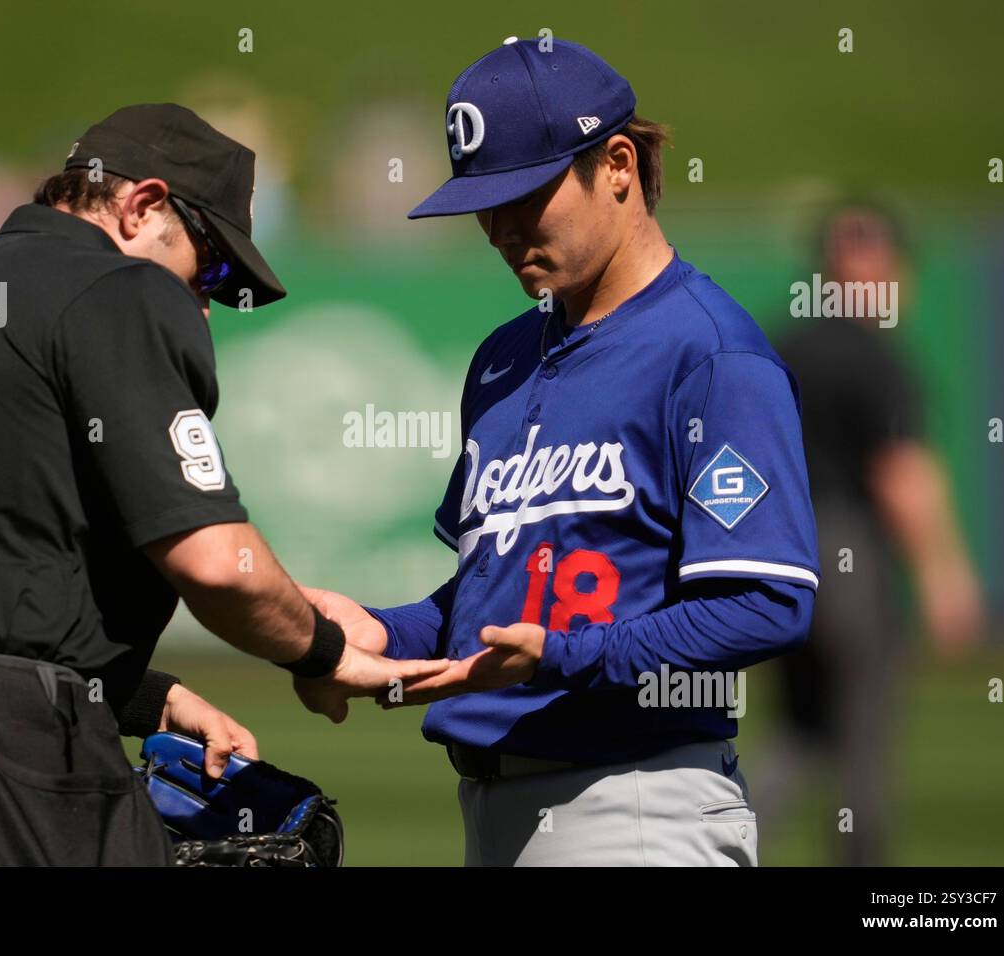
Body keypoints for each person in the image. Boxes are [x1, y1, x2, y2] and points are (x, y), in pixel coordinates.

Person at [0, 103, 445, 867]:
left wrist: (141, 696)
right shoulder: (118, 290)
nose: (205, 301)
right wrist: (323, 652)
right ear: (143, 206)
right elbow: (216, 562)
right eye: (213, 267)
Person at [301, 37, 818, 866]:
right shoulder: (504, 357)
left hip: (637, 805)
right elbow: (491, 595)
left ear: (618, 165)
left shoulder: (712, 354)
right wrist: (380, 632)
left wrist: (568, 654)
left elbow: (766, 602)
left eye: (527, 193)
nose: (501, 228)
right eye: (483, 201)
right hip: (495, 811)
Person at [759, 201, 984, 865]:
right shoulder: (875, 355)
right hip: (848, 554)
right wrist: (945, 574)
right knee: (861, 736)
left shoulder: (783, 342)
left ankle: (717, 846)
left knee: (801, 732)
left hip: (784, 555)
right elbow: (901, 475)